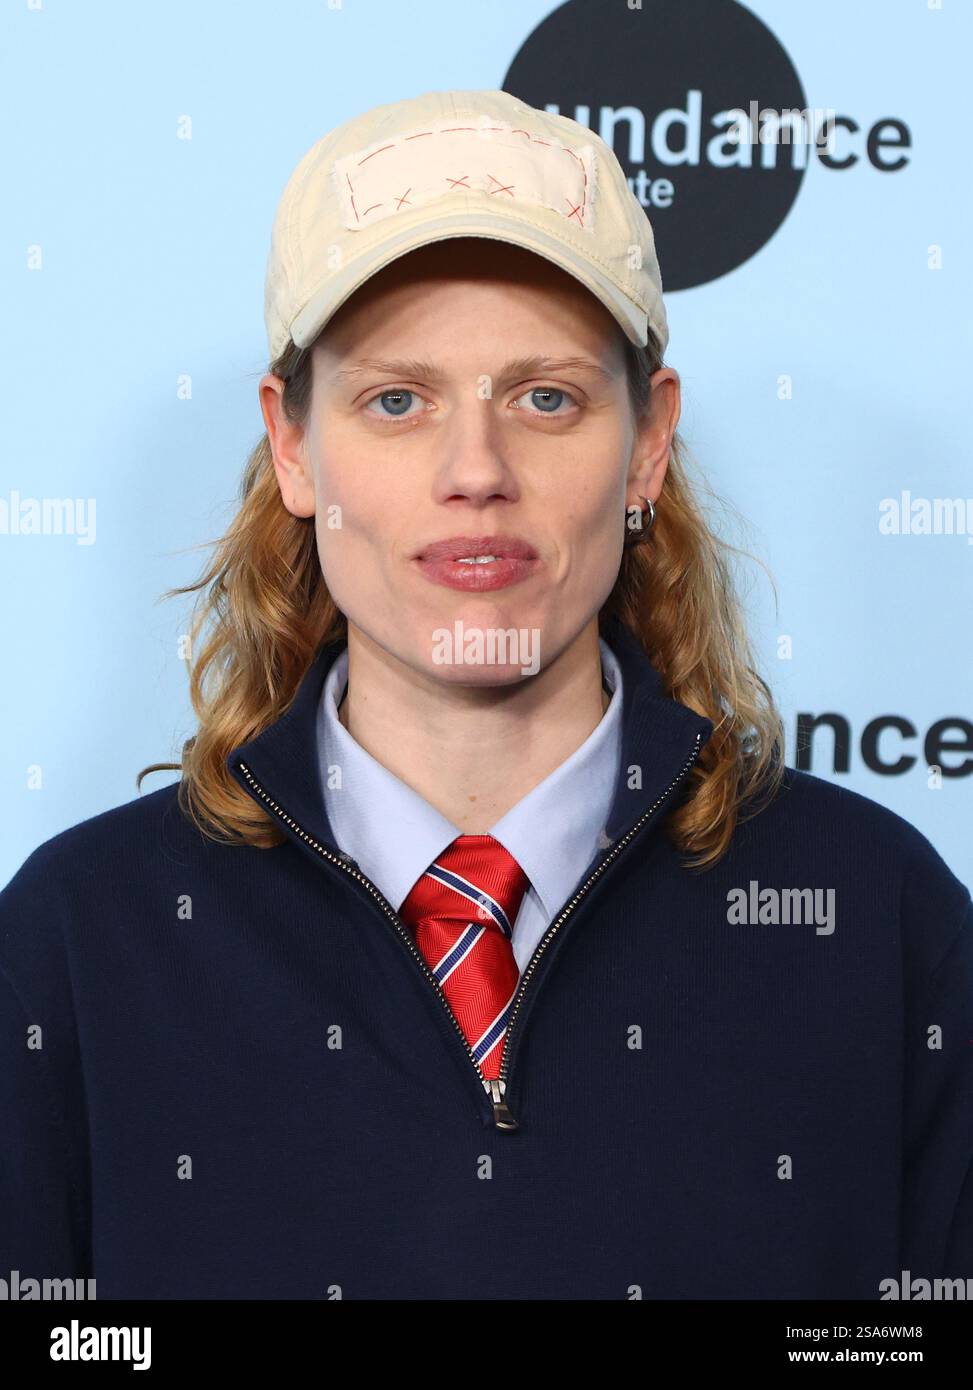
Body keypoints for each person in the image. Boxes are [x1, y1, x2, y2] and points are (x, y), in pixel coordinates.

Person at [1, 88, 970, 1302]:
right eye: (397, 400)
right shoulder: (82, 940)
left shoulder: (874, 914)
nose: (476, 472)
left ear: (648, 443)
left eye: (546, 397)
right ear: (293, 447)